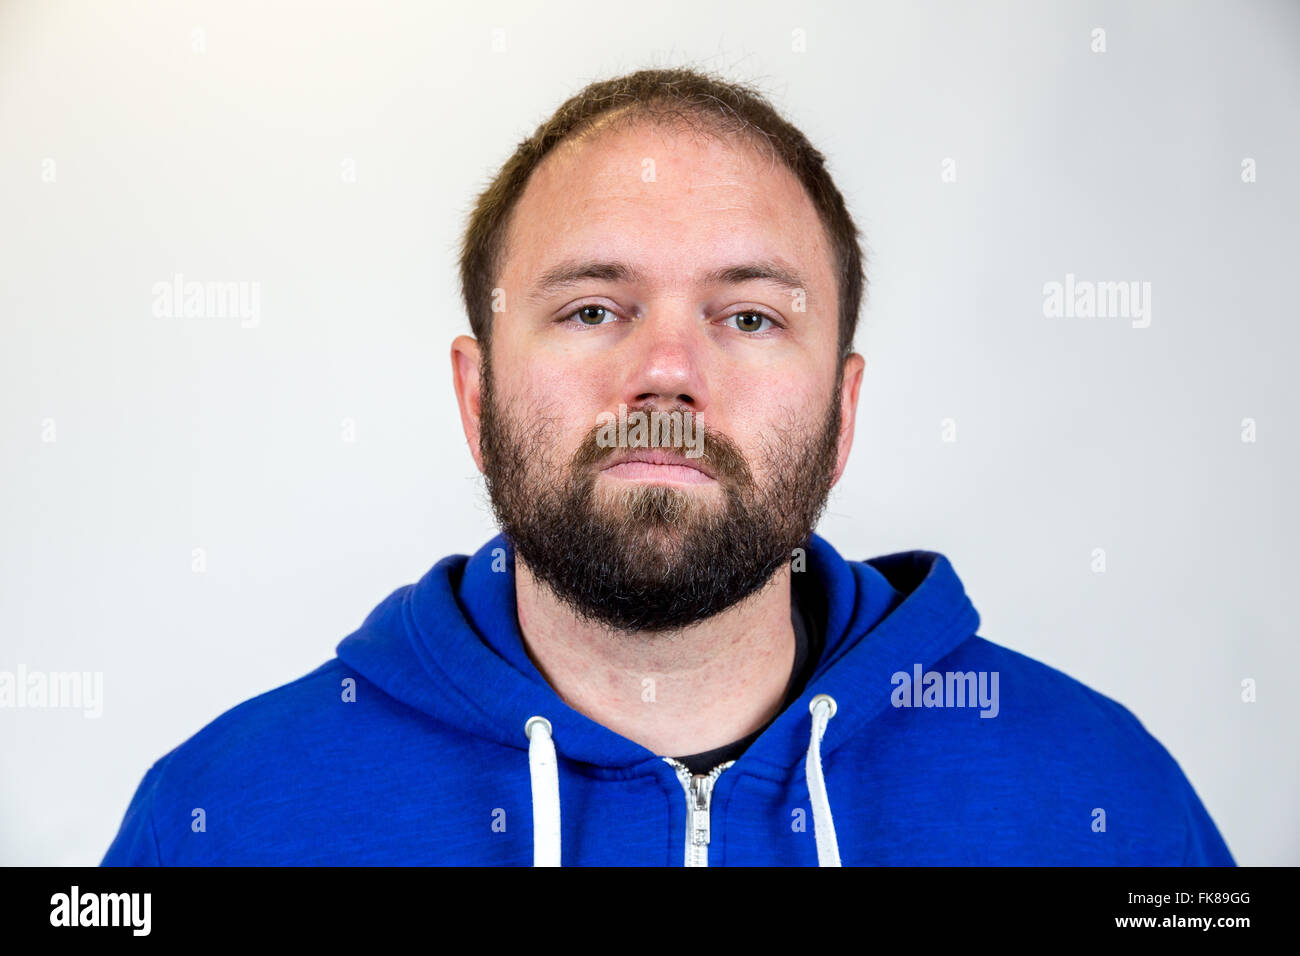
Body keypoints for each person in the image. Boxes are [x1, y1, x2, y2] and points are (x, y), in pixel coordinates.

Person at [102, 68, 1234, 866]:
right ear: (475, 391)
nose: (666, 373)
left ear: (842, 412)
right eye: (594, 307)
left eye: (747, 317)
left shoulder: (1102, 795)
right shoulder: (221, 817)